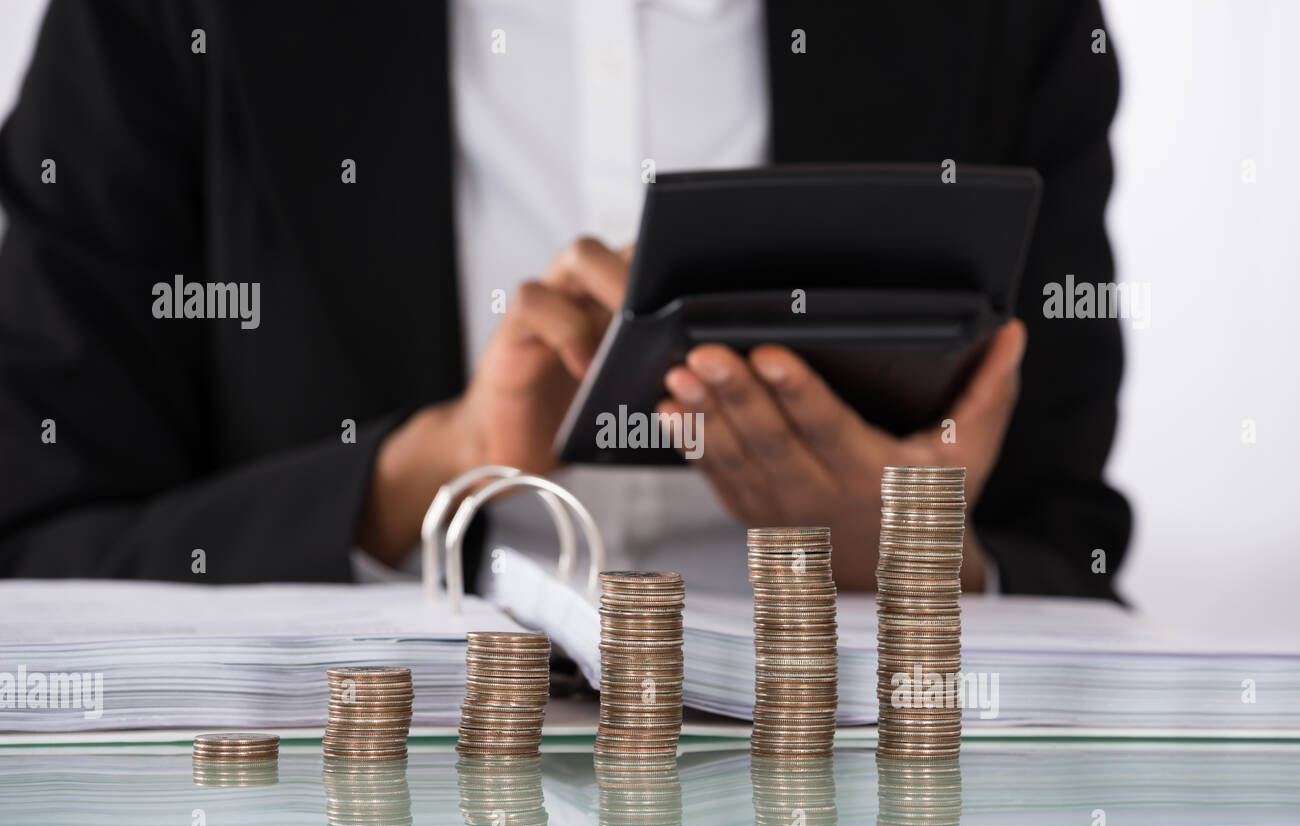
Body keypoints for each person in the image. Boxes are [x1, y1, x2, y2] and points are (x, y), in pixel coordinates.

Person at [0, 0, 1130, 599]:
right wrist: (422, 475)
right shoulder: (164, 17)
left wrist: (911, 555)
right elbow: (38, 540)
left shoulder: (1001, 15)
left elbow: (1065, 545)